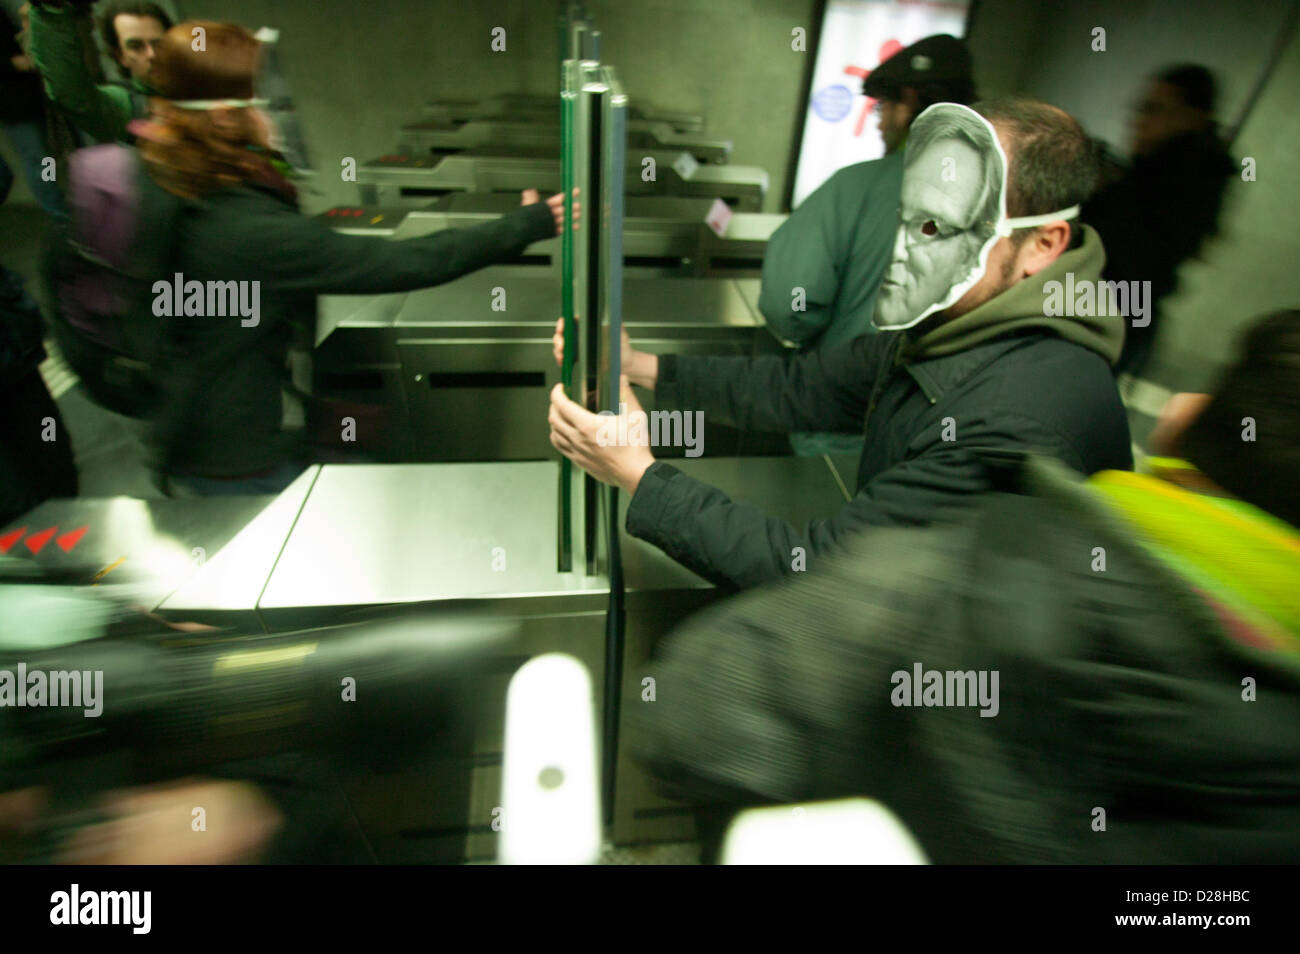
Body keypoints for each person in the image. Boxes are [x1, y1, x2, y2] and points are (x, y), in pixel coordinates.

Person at [632, 308, 1300, 864]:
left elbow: (696, 708)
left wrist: (644, 478)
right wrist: (652, 370)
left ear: (1190, 417)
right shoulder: (1049, 360)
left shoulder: (959, 572)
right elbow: (817, 385)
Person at [549, 97, 1131, 590]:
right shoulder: (962, 322)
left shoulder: (1013, 423)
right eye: (906, 219)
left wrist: (638, 474)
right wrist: (639, 365)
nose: (901, 253)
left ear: (1043, 245)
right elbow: (804, 388)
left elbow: (827, 574)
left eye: (937, 229)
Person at [123, 22, 574, 495]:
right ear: (221, 115)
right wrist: (528, 224)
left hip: (190, 423)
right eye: (259, 94)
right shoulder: (242, 229)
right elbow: (405, 262)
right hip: (236, 454)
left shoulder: (167, 172)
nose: (274, 106)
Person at [760, 34, 974, 456]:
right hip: (946, 440)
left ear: (909, 101)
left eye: (883, 108)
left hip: (840, 431)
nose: (878, 122)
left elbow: (790, 307)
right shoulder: (1003, 200)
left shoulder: (855, 187)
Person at [1082, 64, 1235, 377]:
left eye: (1153, 110)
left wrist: (1104, 190)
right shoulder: (1159, 175)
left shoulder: (1184, 181)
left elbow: (1135, 253)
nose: (1138, 122)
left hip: (1111, 309)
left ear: (1192, 118)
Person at [28, 0, 172, 144]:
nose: (151, 54)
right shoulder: (129, 108)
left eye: (159, 44)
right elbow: (73, 96)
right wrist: (52, 10)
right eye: (136, 46)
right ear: (120, 56)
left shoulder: (193, 77)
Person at [0, 260, 78, 526]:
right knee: (15, 500)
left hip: (16, 364)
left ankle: (66, 535)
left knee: (55, 452)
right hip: (15, 357)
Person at [1, 3, 67, 215]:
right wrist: (12, 64)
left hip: (28, 92)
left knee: (45, 156)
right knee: (38, 158)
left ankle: (58, 206)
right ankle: (57, 210)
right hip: (11, 100)